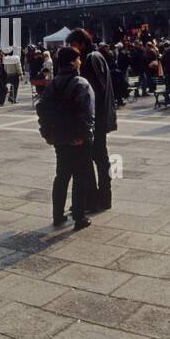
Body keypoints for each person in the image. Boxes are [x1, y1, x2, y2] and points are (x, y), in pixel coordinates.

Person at [36, 46, 95, 230]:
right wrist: (82, 136)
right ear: (72, 62)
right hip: (78, 140)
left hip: (59, 138)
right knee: (80, 177)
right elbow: (87, 113)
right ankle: (79, 217)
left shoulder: (52, 84)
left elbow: (41, 109)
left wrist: (48, 134)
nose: (80, 61)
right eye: (78, 59)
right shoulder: (81, 83)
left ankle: (57, 215)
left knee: (61, 176)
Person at [68, 28, 117, 212]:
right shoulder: (95, 56)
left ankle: (100, 199)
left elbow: (95, 91)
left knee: (96, 158)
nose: (73, 50)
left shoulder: (91, 59)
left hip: (96, 119)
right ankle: (96, 198)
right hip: (97, 118)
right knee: (95, 158)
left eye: (74, 45)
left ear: (81, 43)